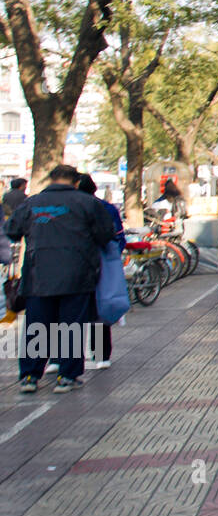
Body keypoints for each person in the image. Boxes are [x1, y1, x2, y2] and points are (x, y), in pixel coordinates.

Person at [9, 165, 115, 394]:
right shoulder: (88, 203)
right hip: (77, 275)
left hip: (38, 276)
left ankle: (29, 376)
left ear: (51, 179)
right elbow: (106, 234)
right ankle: (66, 377)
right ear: (76, 182)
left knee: (37, 326)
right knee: (71, 326)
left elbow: (12, 231)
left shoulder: (31, 203)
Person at [78, 174, 125, 370]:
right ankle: (101, 356)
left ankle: (60, 359)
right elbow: (118, 239)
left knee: (68, 310)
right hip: (101, 265)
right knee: (99, 308)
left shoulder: (69, 207)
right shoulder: (107, 207)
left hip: (73, 266)